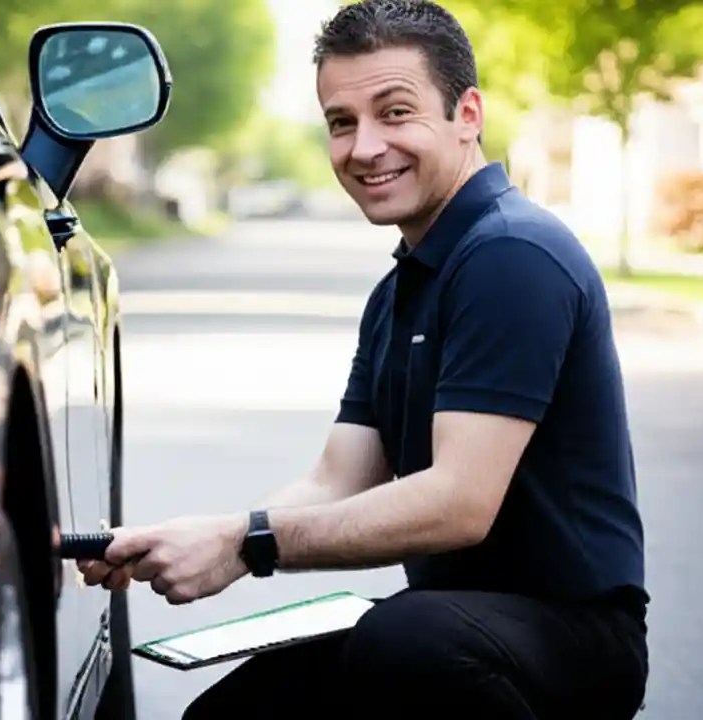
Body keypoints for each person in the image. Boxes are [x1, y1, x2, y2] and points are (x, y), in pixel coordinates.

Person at [76, 1, 650, 718]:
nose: (365, 147)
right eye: (341, 122)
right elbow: (335, 481)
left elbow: (458, 504)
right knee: (231, 714)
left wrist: (246, 544)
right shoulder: (403, 286)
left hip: (570, 638)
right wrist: (202, 534)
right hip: (458, 620)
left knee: (405, 641)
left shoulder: (511, 254)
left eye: (395, 112)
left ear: (466, 113)